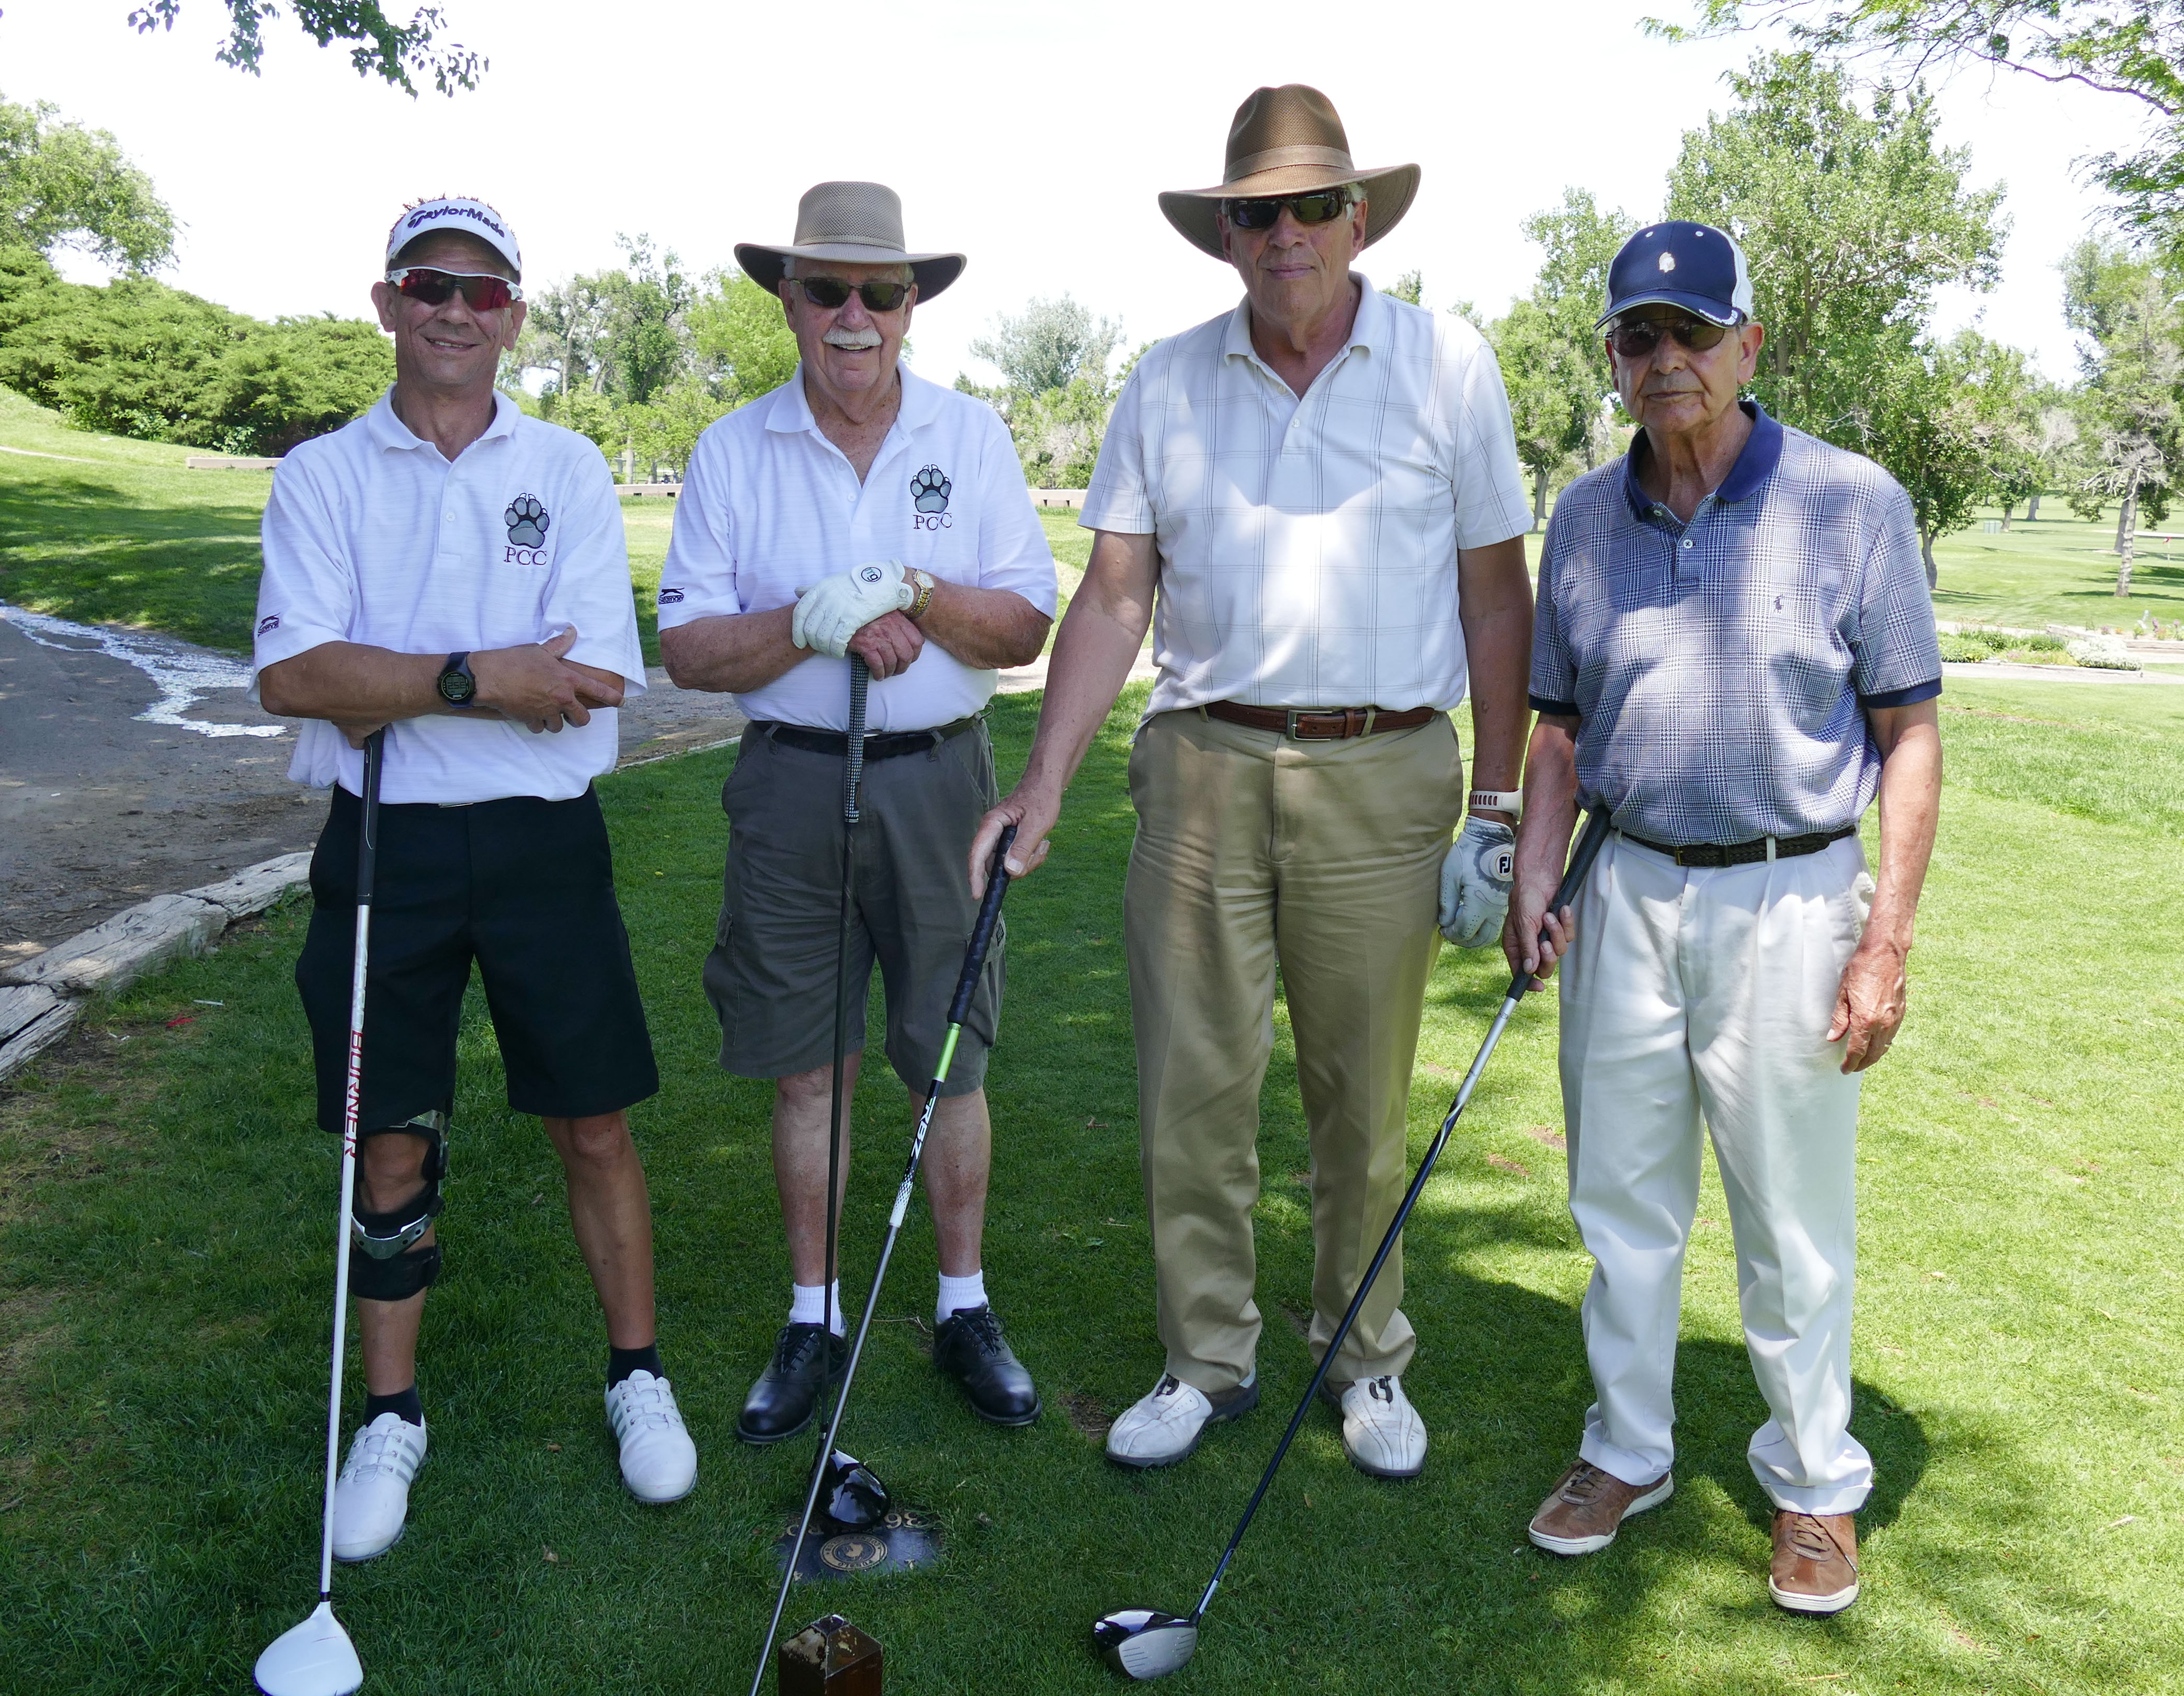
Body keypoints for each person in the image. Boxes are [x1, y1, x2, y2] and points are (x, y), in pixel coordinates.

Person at [969, 86, 1535, 1481]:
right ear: (1226, 234)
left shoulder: (1448, 367)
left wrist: (1503, 803)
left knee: (1364, 1099)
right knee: (1192, 1090)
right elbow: (1109, 602)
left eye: (1308, 206)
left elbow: (1498, 606)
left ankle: (1364, 1355)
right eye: (1254, 211)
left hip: (1388, 768)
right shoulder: (1166, 378)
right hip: (1204, 765)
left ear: (1357, 218)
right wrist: (1043, 782)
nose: (1282, 232)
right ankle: (1204, 1355)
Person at [253, 196, 697, 1562]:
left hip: (539, 840)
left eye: (484, 291)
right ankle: (391, 1413)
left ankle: (638, 1376)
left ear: (513, 315)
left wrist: (397, 679)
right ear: (388, 302)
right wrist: (482, 672)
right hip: (382, 832)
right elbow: (296, 676)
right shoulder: (322, 476)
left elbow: (593, 681)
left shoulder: (562, 467)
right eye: (431, 285)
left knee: (594, 1119)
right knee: (388, 1132)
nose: (457, 309)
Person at [1506, 221, 1942, 1614]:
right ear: (1617, 359)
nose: (1669, 361)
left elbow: (1909, 733)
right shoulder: (1580, 518)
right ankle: (1625, 1447)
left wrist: (1887, 942)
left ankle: (1815, 1479)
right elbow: (1559, 733)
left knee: (1791, 1214)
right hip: (1624, 886)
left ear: (1750, 345)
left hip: (1792, 888)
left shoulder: (1850, 501)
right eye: (1642, 336)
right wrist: (1531, 874)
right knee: (1621, 1198)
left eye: (1696, 333)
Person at [657, 182, 1057, 1441]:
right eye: (825, 290)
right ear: (788, 300)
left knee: (949, 1061)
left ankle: (961, 1302)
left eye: (879, 293)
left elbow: (1028, 621)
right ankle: (815, 1310)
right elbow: (688, 649)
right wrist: (810, 619)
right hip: (789, 779)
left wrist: (911, 591)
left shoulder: (971, 436)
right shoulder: (733, 447)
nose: (852, 316)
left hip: (942, 779)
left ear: (912, 307)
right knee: (807, 1067)